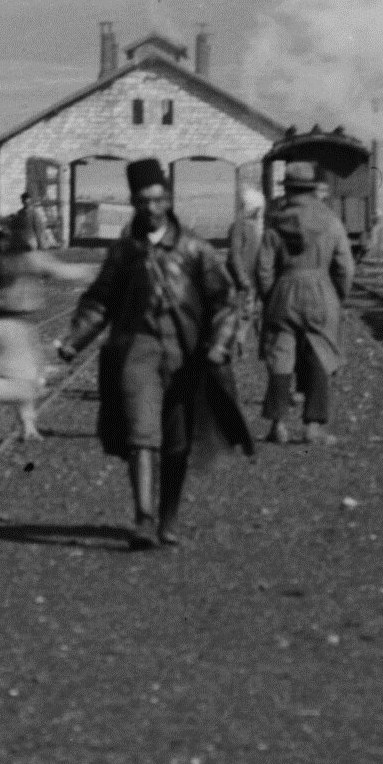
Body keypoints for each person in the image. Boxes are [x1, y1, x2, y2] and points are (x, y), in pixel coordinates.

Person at [63, 156, 254, 551]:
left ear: (167, 199)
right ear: (133, 203)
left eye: (158, 199)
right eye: (143, 201)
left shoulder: (195, 249)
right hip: (138, 351)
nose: (152, 208)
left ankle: (169, 519)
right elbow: (100, 300)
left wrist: (219, 345)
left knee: (177, 442)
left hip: (187, 355)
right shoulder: (124, 252)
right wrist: (74, 339)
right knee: (141, 433)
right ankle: (144, 519)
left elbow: (224, 300)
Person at [0, 227, 87, 442]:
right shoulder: (31, 260)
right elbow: (68, 273)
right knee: (26, 386)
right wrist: (97, 273)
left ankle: (28, 426)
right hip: (13, 326)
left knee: (31, 374)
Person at [259, 159, 355, 444]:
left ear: (287, 189)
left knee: (281, 356)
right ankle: (313, 427)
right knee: (320, 355)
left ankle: (277, 425)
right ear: (312, 189)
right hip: (321, 291)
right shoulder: (331, 222)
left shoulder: (274, 223)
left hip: (283, 291)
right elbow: (345, 268)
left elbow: (263, 269)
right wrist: (337, 296)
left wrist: (270, 296)